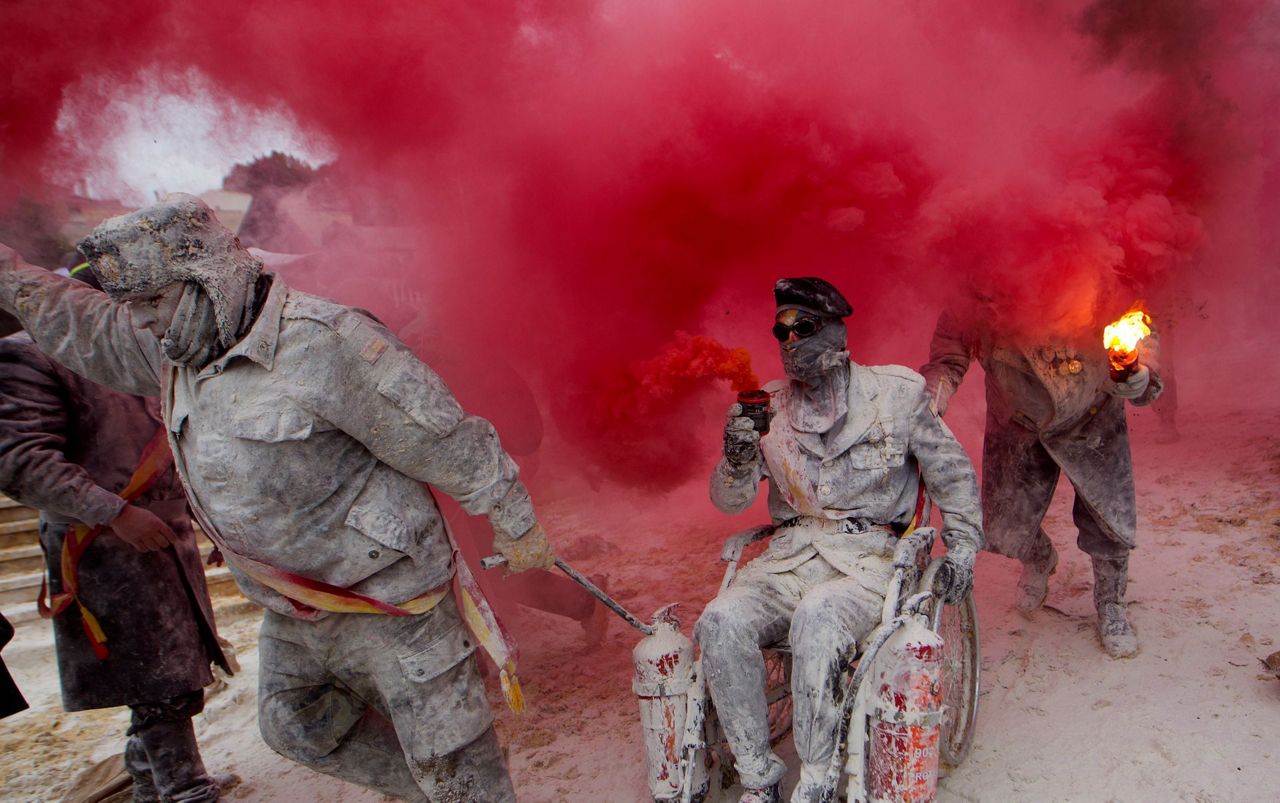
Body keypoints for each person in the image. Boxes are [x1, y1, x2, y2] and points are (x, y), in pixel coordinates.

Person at [0, 194, 556, 802]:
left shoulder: (325, 342)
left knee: (452, 762)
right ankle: (439, 789)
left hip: (392, 602)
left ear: (207, 279)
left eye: (151, 302)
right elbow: (77, 321)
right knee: (294, 725)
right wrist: (5, 274)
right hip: (294, 606)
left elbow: (443, 439)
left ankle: (461, 787)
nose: (139, 321)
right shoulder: (171, 351)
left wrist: (516, 523)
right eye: (130, 305)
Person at [694, 278, 983, 803]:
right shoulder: (767, 405)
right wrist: (735, 459)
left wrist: (963, 547)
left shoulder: (895, 395)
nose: (790, 342)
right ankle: (759, 776)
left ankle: (819, 776)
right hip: (791, 558)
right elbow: (729, 500)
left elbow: (952, 473)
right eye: (780, 332)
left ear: (834, 331)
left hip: (870, 561)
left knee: (820, 618)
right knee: (719, 620)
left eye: (803, 328)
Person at [0, 266, 231, 802]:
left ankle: (151, 783)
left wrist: (209, 519)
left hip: (162, 537)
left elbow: (175, 436)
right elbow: (19, 462)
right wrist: (112, 513)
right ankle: (185, 790)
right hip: (105, 550)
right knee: (156, 684)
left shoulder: (132, 347)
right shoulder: (26, 355)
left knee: (178, 677)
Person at [920, 291, 1161, 658]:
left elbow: (1142, 340)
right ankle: (1039, 558)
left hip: (1092, 415)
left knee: (1107, 522)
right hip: (1016, 418)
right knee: (1002, 526)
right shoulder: (972, 290)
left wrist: (1139, 376)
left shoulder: (1099, 270)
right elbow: (948, 357)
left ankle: (1111, 603)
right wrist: (930, 400)